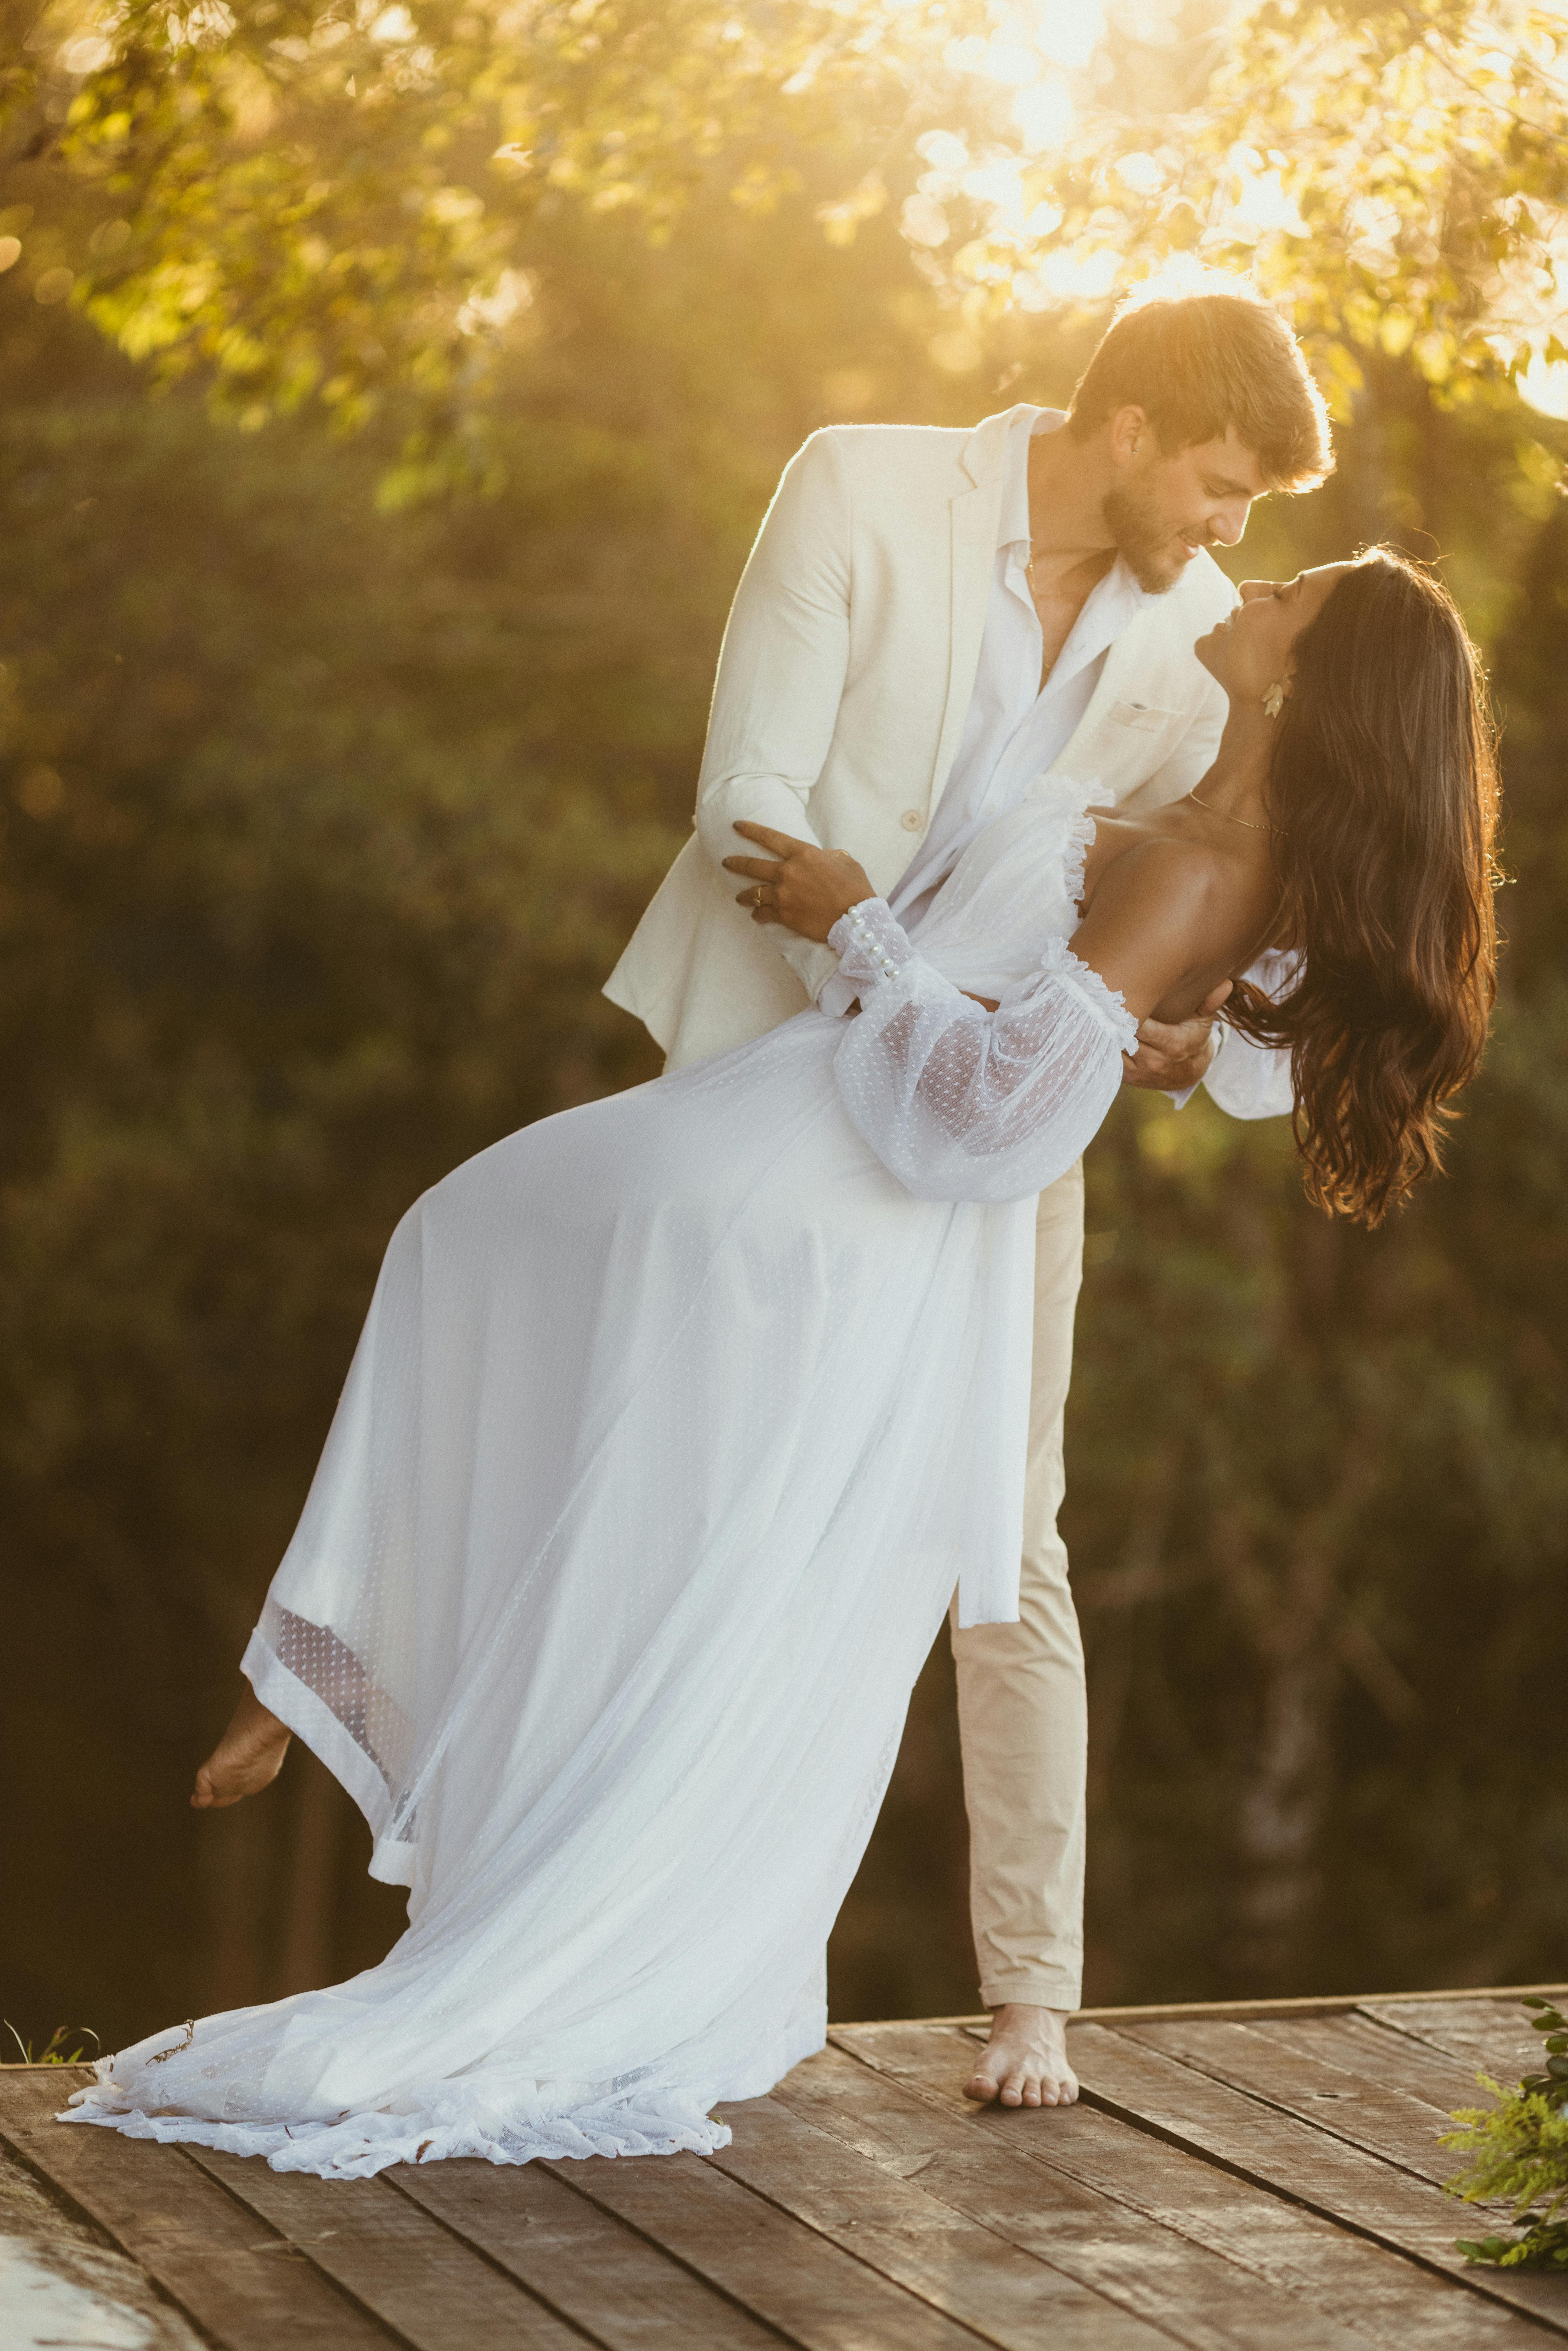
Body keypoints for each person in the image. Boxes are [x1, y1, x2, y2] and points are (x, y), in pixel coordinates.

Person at [64, 544, 1497, 2181]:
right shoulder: (1208, 818)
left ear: (1301, 678)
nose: (1256, 585)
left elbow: (987, 1129)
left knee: (501, 1289)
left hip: (829, 1180)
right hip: (808, 1142)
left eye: (1292, 594)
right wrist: (1159, 1024)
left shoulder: (1202, 860)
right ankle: (348, 1681)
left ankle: (361, 1697)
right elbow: (1151, 1013)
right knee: (517, 1318)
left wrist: (860, 926)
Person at [603, 282, 1332, 2106]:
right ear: (1131, 428)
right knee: (716, 1512)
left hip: (998, 1134)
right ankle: (665, 1959)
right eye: (1225, 486)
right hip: (764, 1091)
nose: (1234, 533)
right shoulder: (857, 486)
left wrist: (1192, 1036)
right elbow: (746, 804)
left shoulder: (1205, 650)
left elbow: (1227, 907)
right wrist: (862, 1027)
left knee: (1008, 1549)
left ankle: (1032, 1997)